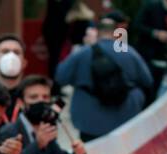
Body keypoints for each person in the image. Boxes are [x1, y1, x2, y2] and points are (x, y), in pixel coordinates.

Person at [56, 13, 155, 141]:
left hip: (89, 120)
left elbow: (60, 77)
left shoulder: (83, 52)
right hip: (124, 118)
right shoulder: (129, 52)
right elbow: (147, 81)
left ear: (96, 32)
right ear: (116, 33)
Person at [0, 74, 88, 154]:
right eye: (33, 97)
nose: (40, 101)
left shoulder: (47, 128)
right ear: (21, 103)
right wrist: (38, 144)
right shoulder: (8, 132)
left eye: (45, 97)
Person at [0, 33, 29, 118]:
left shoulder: (31, 97)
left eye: (16, 52)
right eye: (5, 52)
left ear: (24, 63)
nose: (11, 56)